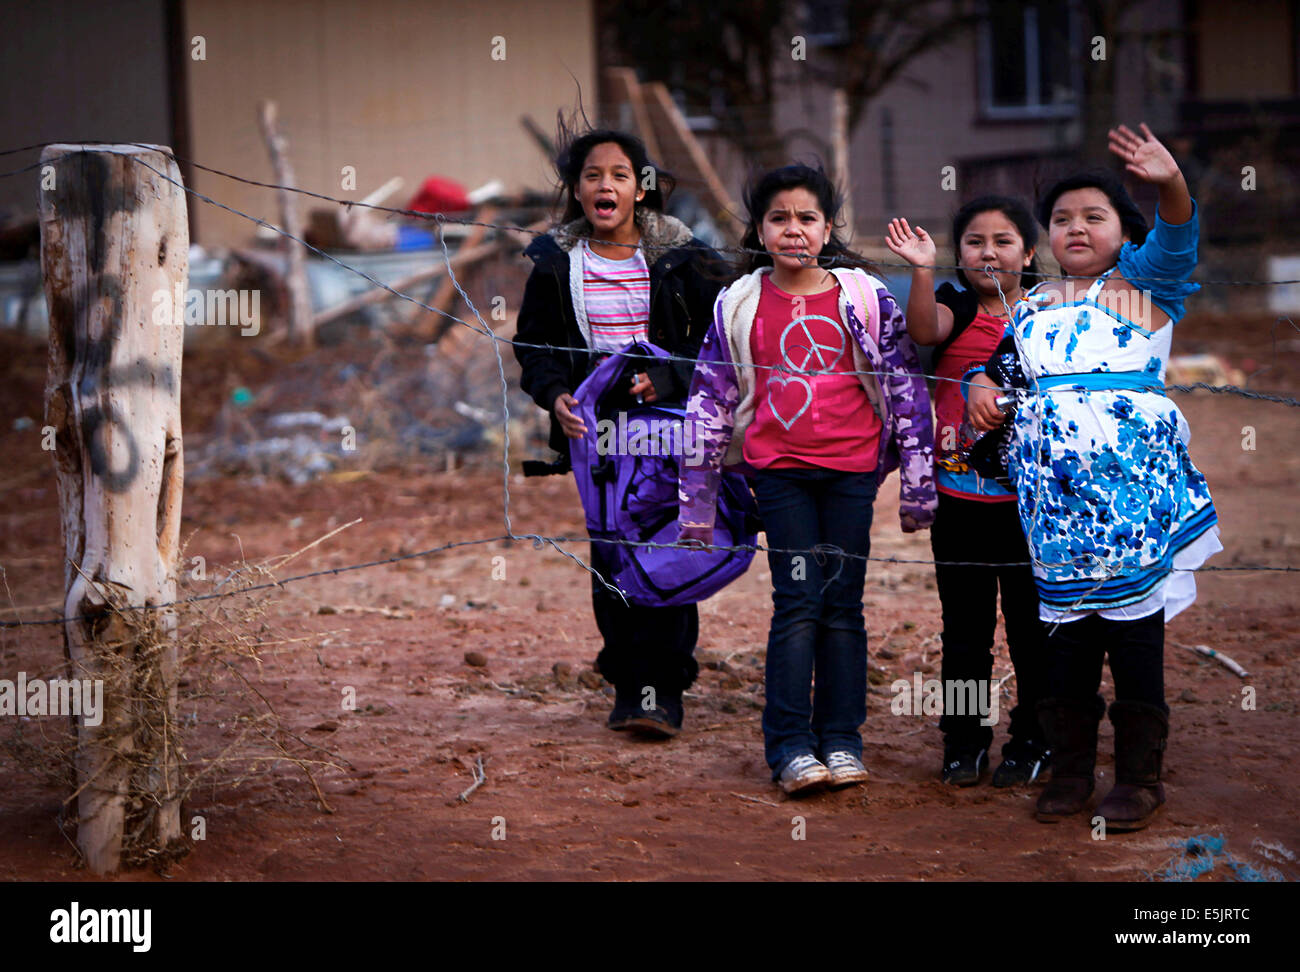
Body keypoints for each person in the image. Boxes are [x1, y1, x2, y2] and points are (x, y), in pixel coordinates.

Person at [968, 124, 1222, 830]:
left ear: (1122, 230)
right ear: (1046, 234)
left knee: (1136, 646)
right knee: (1068, 652)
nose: (1075, 227)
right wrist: (974, 390)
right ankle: (1073, 770)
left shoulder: (1143, 289)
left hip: (1132, 512)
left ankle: (1140, 779)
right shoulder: (1034, 308)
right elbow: (999, 376)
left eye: (1094, 216)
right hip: (1055, 519)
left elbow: (1177, 231)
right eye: (1061, 219)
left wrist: (1169, 182)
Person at [678, 164, 935, 794]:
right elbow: (708, 401)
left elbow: (905, 386)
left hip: (851, 475)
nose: (794, 230)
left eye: (807, 218)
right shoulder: (737, 302)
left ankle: (843, 740)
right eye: (779, 218)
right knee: (798, 603)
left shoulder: (866, 298)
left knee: (843, 606)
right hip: (780, 477)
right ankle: (791, 748)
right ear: (760, 229)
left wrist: (918, 486)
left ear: (827, 228)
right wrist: (696, 507)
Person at [513, 126, 725, 738]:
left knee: (668, 552)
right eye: (592, 176)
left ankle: (664, 688)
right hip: (598, 439)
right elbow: (535, 346)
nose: (605, 185)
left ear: (640, 188)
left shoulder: (682, 260)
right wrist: (555, 397)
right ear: (576, 190)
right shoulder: (556, 265)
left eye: (620, 175)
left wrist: (668, 376)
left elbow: (713, 342)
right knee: (612, 555)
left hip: (669, 433)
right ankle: (629, 682)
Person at [886, 197, 1050, 787]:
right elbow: (924, 329)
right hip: (960, 501)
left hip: (1034, 506)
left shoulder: (1049, 314)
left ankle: (1036, 739)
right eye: (975, 242)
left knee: (1035, 628)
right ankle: (963, 741)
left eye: (1004, 241)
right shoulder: (954, 301)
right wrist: (923, 268)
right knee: (965, 629)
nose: (988, 252)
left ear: (1029, 253)